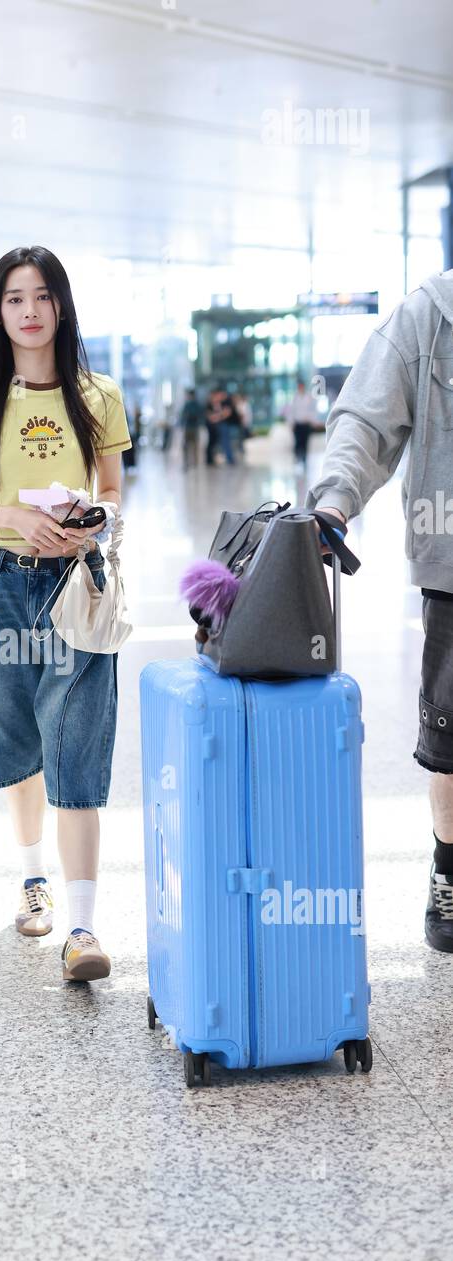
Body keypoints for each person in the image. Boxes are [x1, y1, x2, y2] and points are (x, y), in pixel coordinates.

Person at [0, 245, 131, 983]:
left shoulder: (97, 394)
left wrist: (90, 519)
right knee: (15, 741)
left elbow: (112, 493)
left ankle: (83, 925)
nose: (29, 310)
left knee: (77, 742)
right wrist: (11, 514)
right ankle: (31, 879)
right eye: (15, 298)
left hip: (76, 584)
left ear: (61, 305)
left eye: (42, 296)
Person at [305, 268, 453, 955]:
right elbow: (364, 415)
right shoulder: (431, 314)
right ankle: (450, 870)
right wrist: (335, 498)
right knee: (450, 744)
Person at [283, 379, 318, 467]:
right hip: (298, 424)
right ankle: (298, 458)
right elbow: (291, 411)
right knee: (298, 442)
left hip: (306, 423)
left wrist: (313, 421)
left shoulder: (309, 397)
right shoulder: (295, 397)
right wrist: (291, 423)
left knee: (305, 442)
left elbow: (312, 410)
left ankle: (304, 459)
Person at [179, 388, 203, 470]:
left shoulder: (196, 405)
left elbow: (199, 415)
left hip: (193, 427)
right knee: (187, 445)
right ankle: (187, 462)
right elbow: (183, 415)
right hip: (188, 427)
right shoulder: (187, 404)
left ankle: (194, 462)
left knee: (194, 445)